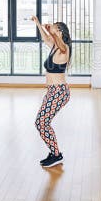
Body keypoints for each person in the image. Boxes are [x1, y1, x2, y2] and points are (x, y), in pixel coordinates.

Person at [31, 16, 72, 168]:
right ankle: (54, 152)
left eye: (54, 27)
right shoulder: (54, 46)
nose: (51, 28)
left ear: (60, 31)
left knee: (41, 123)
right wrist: (38, 24)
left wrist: (53, 32)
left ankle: (56, 154)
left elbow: (61, 44)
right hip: (52, 91)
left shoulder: (64, 48)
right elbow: (45, 38)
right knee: (41, 123)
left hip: (59, 92)